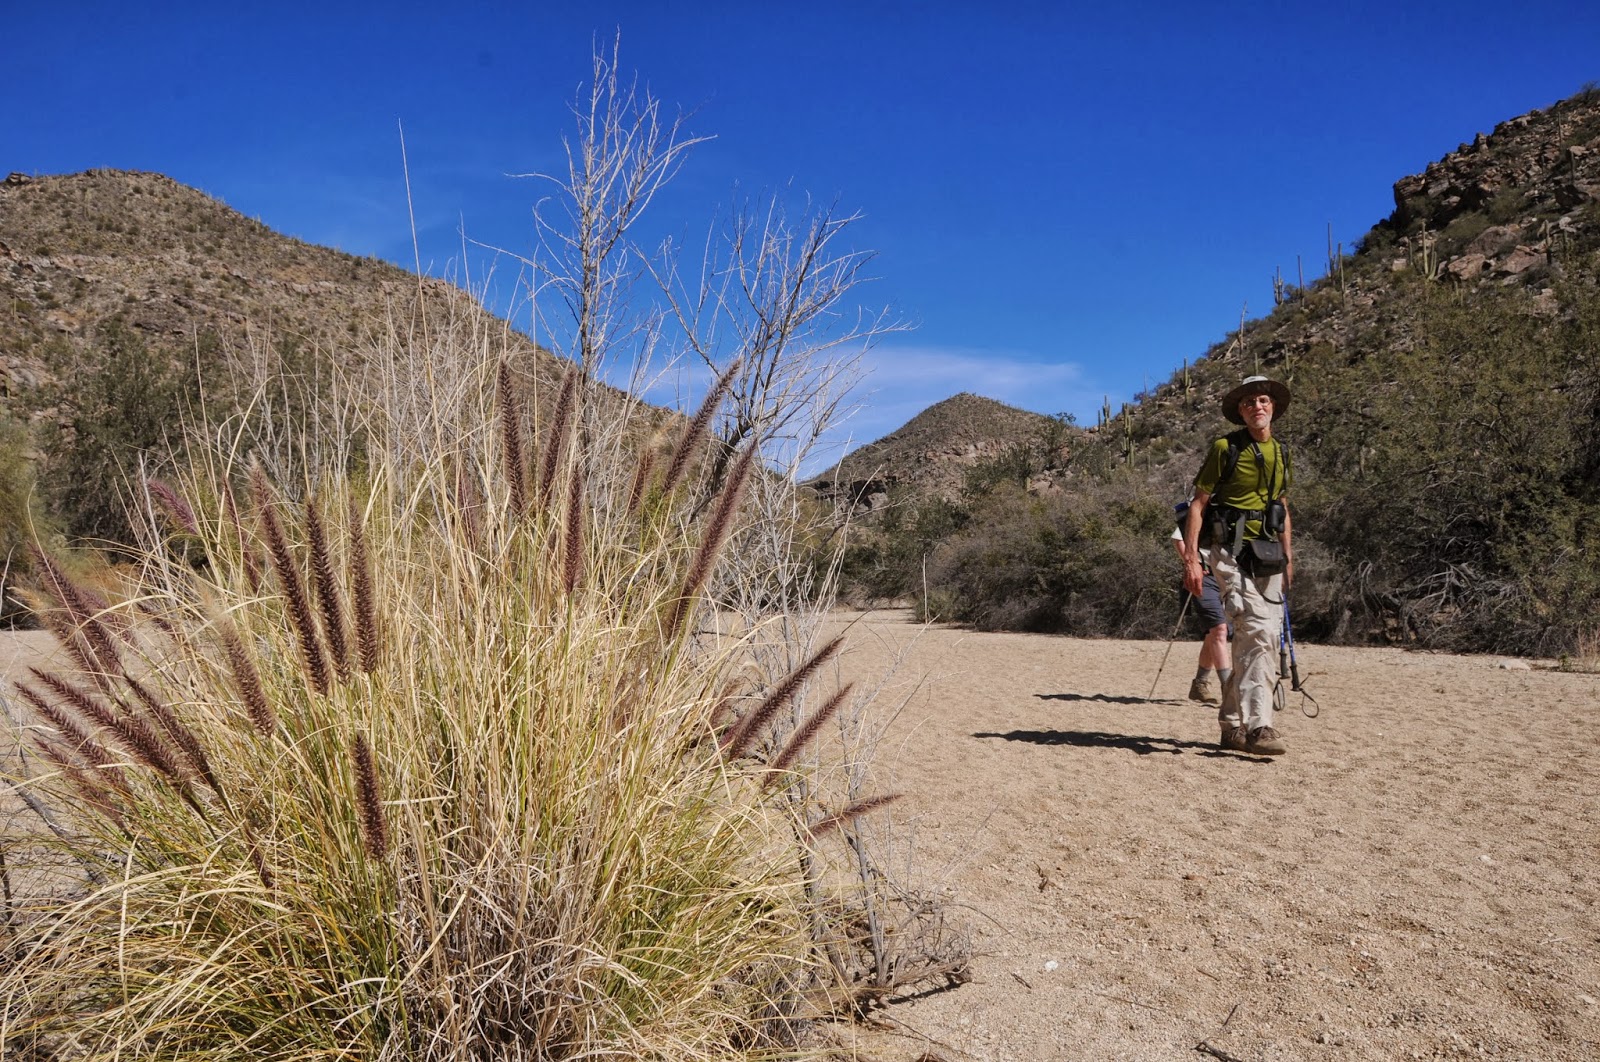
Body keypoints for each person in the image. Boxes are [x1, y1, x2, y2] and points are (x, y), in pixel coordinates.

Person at [1181, 376, 1294, 756]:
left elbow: (1281, 506)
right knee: (1258, 629)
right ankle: (1261, 726)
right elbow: (1198, 505)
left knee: (1257, 639)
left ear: (1273, 407)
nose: (1257, 407)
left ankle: (1231, 726)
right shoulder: (1225, 448)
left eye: (1263, 401)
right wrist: (1193, 560)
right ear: (1241, 411)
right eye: (1249, 403)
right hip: (1227, 551)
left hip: (1268, 557)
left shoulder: (1281, 452)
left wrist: (1288, 557)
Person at [1169, 516, 1231, 704]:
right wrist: (1193, 563)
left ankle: (1200, 683)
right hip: (1204, 576)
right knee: (1219, 630)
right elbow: (1177, 538)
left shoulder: (1230, 510)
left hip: (1229, 575)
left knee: (1214, 633)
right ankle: (1228, 689)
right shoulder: (1196, 511)